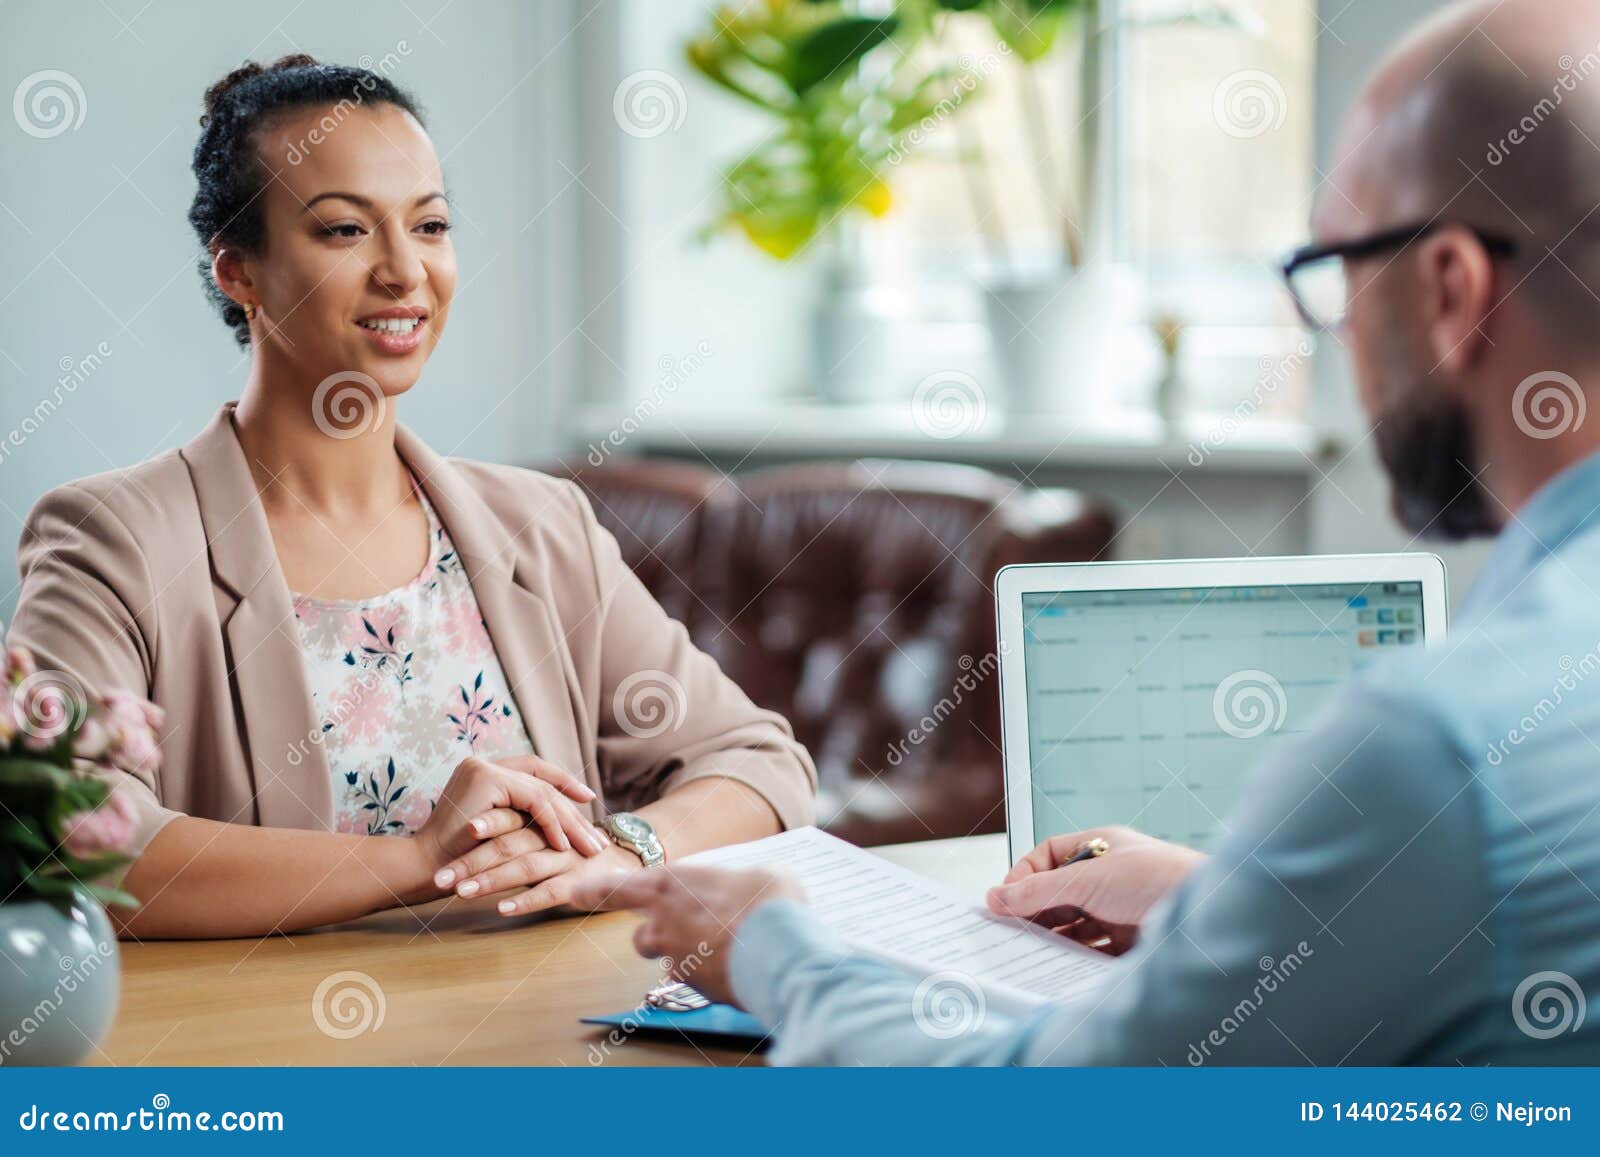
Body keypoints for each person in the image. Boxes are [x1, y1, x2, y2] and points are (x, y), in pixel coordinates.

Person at [576, 0, 1600, 1064]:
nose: (1339, 338)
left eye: (1339, 275)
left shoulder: (1437, 746)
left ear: (1451, 290)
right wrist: (1227, 899)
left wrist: (773, 950)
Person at [6, 56, 816, 940]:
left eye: (430, 225)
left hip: (561, 1017)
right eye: (345, 230)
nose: (404, 270)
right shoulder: (112, 539)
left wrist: (623, 848)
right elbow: (70, 839)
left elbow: (758, 762)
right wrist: (421, 857)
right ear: (239, 271)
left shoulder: (541, 525)